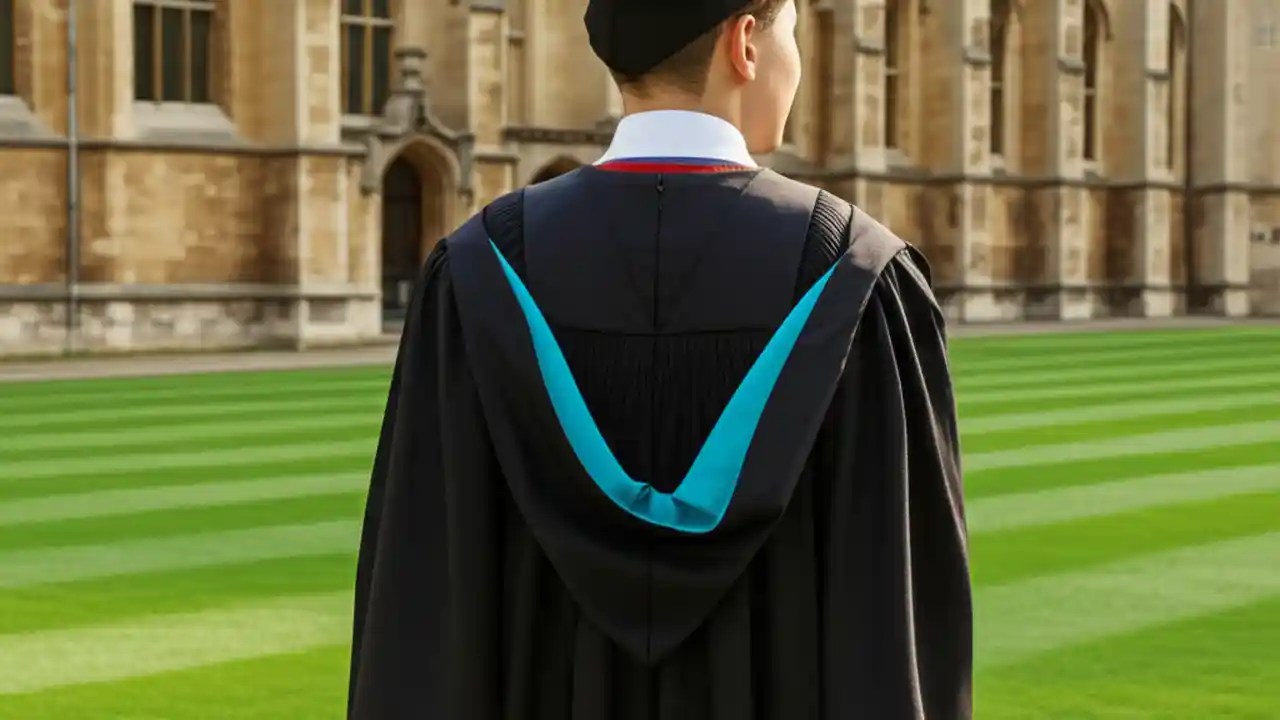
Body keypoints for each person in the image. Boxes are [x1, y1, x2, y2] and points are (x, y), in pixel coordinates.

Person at [347, 0, 972, 717]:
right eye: (791, 35)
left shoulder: (476, 275)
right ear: (745, 44)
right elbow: (899, 634)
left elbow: (419, 620)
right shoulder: (864, 284)